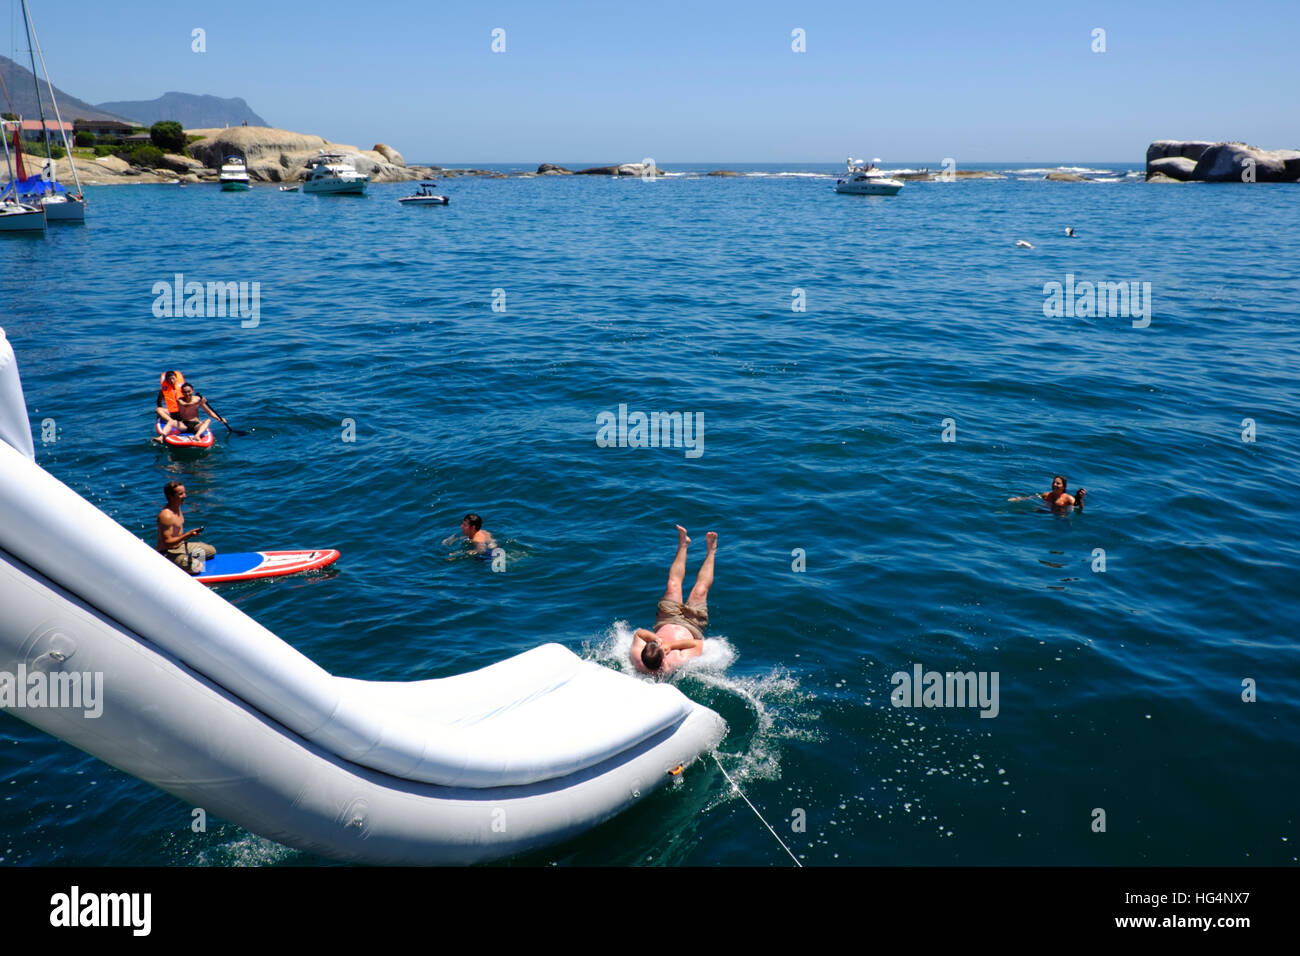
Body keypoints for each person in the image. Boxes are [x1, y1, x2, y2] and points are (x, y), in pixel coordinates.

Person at [631, 525, 717, 676]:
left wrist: (656, 641)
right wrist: (671, 645)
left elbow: (639, 633)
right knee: (700, 589)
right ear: (664, 659)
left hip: (666, 619)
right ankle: (712, 550)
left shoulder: (638, 657)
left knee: (672, 584)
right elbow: (699, 645)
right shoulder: (676, 661)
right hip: (692, 625)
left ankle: (683, 544)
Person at [156, 480, 216, 573]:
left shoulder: (177, 507)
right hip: (168, 552)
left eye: (184, 493)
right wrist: (188, 535)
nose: (185, 496)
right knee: (197, 567)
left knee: (211, 551)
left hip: (182, 546)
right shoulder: (166, 516)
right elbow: (167, 543)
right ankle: (174, 564)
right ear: (170, 497)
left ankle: (184, 558)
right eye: (180, 494)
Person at [1009, 475, 1087, 510]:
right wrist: (1018, 499)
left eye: (1058, 483)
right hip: (1045, 511)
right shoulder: (1047, 495)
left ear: (1064, 487)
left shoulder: (1069, 499)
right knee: (1024, 513)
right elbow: (1033, 497)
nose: (1054, 485)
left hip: (1060, 516)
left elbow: (1079, 508)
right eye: (1053, 482)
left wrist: (1080, 499)